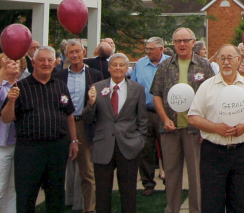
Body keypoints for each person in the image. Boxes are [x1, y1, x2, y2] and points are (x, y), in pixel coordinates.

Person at [0, 46, 80, 213]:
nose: (46, 63)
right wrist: (11, 101)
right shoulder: (19, 87)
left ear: (55, 63)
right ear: (33, 62)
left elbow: (69, 115)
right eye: (42, 60)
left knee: (56, 194)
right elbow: (5, 118)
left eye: (49, 60)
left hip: (57, 148)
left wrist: (73, 140)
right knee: (26, 195)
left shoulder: (60, 85)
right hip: (29, 149)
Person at [187, 44, 244, 213]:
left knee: (239, 204)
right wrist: (215, 128)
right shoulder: (207, 86)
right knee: (211, 204)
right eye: (222, 58)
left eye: (230, 58)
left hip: (242, 153)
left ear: (239, 60)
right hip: (213, 154)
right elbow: (193, 116)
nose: (226, 62)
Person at [150, 27, 214, 213]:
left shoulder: (204, 65)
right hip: (170, 129)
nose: (182, 44)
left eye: (186, 40)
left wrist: (206, 127)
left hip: (195, 130)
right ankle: (172, 209)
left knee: (196, 176)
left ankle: (197, 210)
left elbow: (212, 97)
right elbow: (157, 95)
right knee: (171, 175)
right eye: (178, 41)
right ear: (174, 44)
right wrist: (164, 119)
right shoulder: (165, 66)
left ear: (194, 42)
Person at [83, 53, 147, 213]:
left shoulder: (137, 89)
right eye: (114, 65)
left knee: (129, 192)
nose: (118, 68)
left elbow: (142, 119)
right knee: (103, 193)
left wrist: (140, 140)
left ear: (127, 68)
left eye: (121, 65)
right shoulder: (97, 87)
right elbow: (88, 118)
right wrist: (91, 104)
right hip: (103, 146)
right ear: (109, 68)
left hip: (129, 146)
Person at [52, 39, 103, 213]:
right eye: (70, 52)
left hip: (83, 124)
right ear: (66, 55)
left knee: (87, 172)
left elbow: (101, 103)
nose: (74, 55)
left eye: (77, 51)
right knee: (58, 168)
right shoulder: (58, 76)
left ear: (84, 52)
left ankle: (89, 208)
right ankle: (60, 204)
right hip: (62, 124)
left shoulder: (94, 75)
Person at [0, 54, 24, 213]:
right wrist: (3, 69)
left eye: (16, 62)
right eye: (9, 62)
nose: (14, 64)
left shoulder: (24, 86)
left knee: (13, 189)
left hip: (19, 143)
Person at [131, 36, 169, 196]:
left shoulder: (170, 63)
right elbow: (132, 85)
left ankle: (170, 181)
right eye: (147, 49)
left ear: (161, 49)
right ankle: (148, 183)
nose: (148, 52)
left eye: (151, 49)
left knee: (168, 148)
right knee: (145, 149)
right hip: (145, 112)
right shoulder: (140, 64)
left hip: (166, 113)